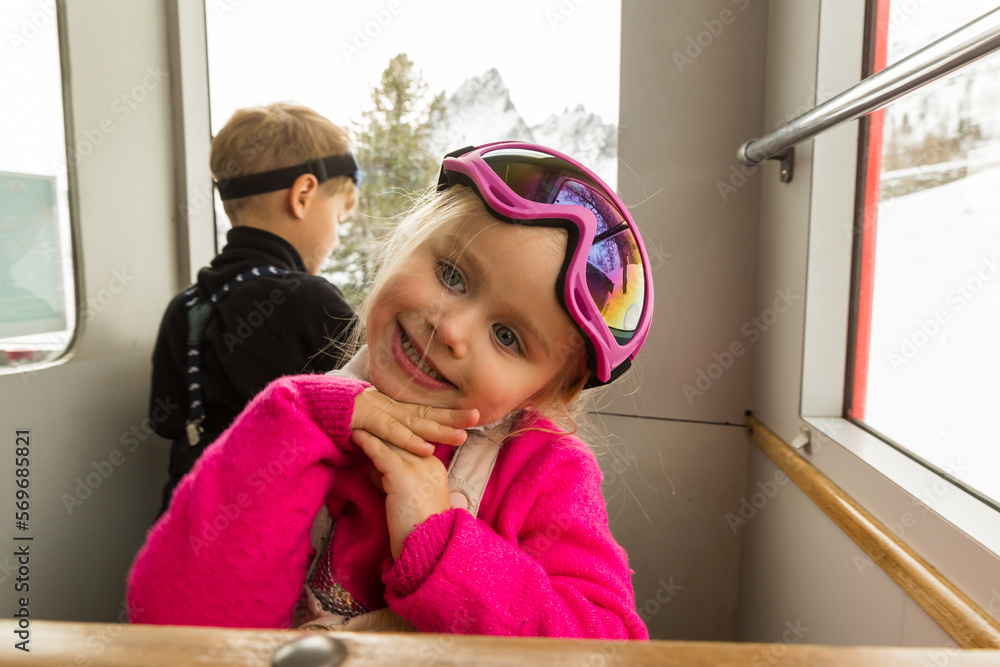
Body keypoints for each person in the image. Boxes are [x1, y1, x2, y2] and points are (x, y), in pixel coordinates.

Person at [128, 142, 654, 639]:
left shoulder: (541, 470)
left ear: (545, 394)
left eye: (507, 336)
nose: (450, 330)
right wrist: (296, 422)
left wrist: (438, 543)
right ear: (402, 246)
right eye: (451, 274)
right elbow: (176, 625)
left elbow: (606, 647)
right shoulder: (297, 416)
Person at [148, 103, 360, 515]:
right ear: (303, 196)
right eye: (338, 217)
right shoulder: (311, 301)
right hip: (272, 535)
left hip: (184, 519)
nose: (335, 239)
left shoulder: (184, 307)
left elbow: (165, 422)